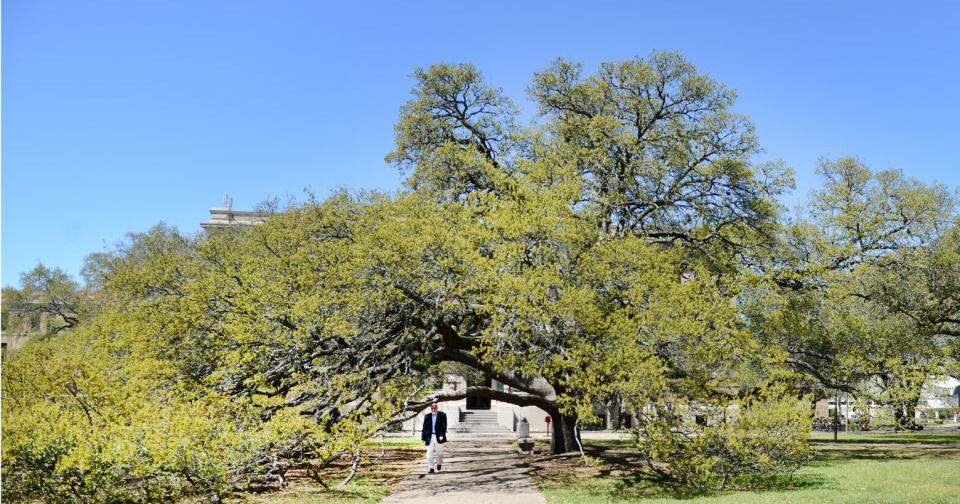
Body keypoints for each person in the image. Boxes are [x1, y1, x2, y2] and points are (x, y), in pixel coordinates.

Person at [420, 402, 447, 473]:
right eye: (432, 408)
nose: (433, 409)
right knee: (429, 453)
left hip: (439, 436)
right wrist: (423, 438)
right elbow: (424, 427)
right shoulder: (427, 416)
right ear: (431, 409)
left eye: (435, 408)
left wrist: (442, 435)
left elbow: (444, 426)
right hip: (429, 436)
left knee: (439, 453)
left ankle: (439, 463)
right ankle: (431, 467)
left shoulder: (442, 415)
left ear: (437, 408)